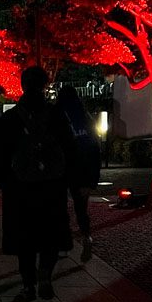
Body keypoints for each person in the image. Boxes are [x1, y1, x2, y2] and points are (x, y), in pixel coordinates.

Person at [0, 65, 76, 302]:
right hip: (52, 185)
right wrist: (69, 179)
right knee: (50, 234)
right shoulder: (56, 115)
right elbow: (70, 149)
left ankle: (28, 285)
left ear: (22, 86)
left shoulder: (10, 118)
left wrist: (1, 180)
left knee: (25, 239)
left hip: (20, 187)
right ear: (44, 85)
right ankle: (45, 273)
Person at [56, 85, 102, 261]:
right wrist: (92, 181)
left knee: (61, 209)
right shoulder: (85, 118)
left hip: (62, 170)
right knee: (81, 209)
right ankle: (86, 236)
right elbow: (95, 149)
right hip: (82, 171)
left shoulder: (58, 117)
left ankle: (64, 245)